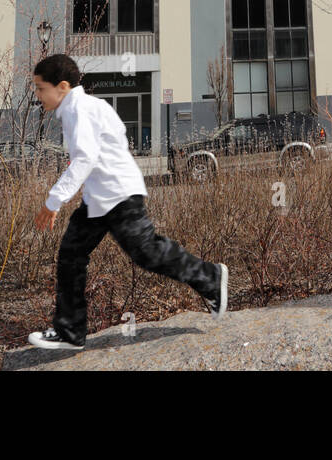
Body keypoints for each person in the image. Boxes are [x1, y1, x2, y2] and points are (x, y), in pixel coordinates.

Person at [28, 53, 227, 351]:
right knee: (71, 254)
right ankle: (69, 332)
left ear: (63, 86)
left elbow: (85, 158)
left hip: (118, 195)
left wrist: (53, 201)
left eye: (41, 88)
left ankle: (210, 277)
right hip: (100, 199)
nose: (38, 95)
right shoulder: (83, 107)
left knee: (146, 252)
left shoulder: (79, 109)